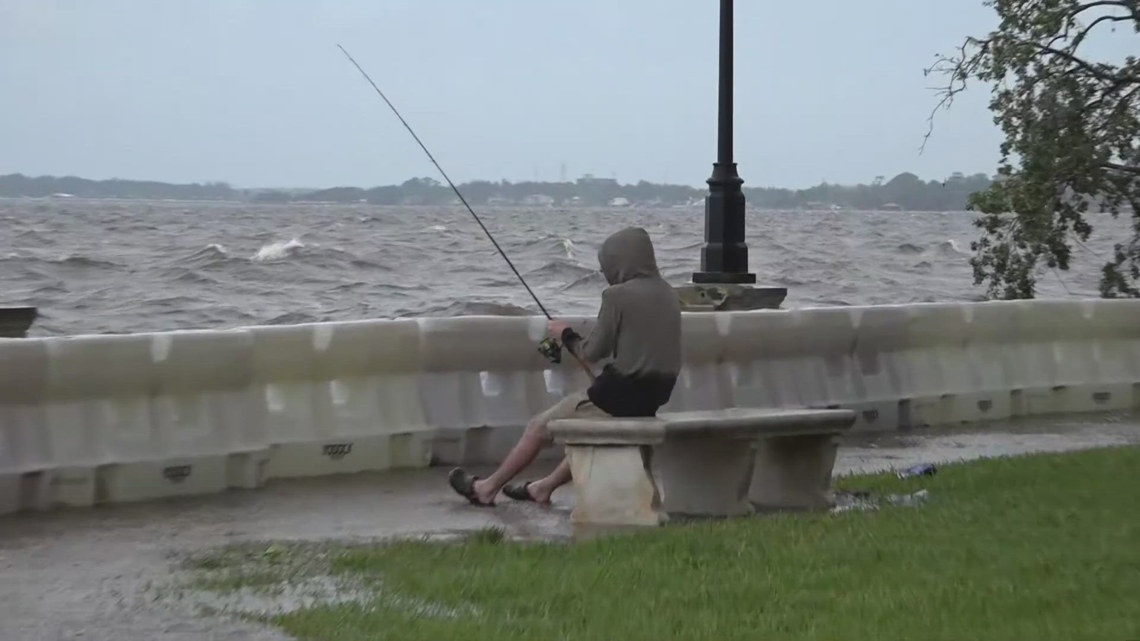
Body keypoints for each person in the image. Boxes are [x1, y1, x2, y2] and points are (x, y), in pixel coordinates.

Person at [448, 226, 682, 506]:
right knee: (593, 434)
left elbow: (593, 351)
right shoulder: (668, 292)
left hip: (620, 396)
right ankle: (543, 488)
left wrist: (565, 334)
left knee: (538, 427)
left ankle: (486, 488)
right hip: (654, 396)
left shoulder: (617, 296)